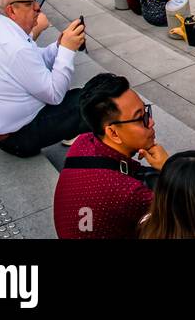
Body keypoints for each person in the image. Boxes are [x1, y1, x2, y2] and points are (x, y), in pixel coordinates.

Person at [0, 0, 88, 157]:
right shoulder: (14, 46)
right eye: (29, 3)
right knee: (92, 102)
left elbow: (37, 60)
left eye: (35, 1)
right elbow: (55, 95)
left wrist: (58, 46)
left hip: (7, 130)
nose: (37, 8)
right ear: (11, 10)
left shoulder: (5, 30)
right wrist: (67, 50)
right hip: (17, 137)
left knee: (84, 95)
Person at [53, 73, 170, 240]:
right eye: (140, 118)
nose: (151, 122)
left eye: (146, 111)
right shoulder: (128, 193)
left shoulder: (84, 141)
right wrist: (169, 166)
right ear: (113, 132)